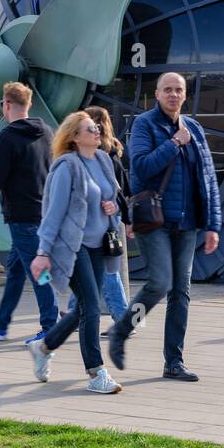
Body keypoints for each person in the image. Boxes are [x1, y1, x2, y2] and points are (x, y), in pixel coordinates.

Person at [107, 72, 222, 382]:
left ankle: (174, 362)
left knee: (181, 292)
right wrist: (173, 143)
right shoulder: (145, 124)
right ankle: (122, 330)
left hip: (187, 223)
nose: (173, 94)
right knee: (160, 282)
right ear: (156, 94)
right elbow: (141, 166)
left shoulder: (194, 128)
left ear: (185, 95)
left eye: (179, 90)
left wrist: (212, 224)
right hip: (154, 220)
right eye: (167, 90)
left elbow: (208, 179)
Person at [25, 112, 124, 394]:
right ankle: (96, 373)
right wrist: (43, 252)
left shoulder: (103, 160)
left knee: (83, 307)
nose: (97, 131)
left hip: (97, 244)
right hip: (72, 247)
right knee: (92, 305)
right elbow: (52, 214)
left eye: (97, 127)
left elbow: (111, 198)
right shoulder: (66, 167)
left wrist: (111, 207)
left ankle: (43, 347)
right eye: (90, 128)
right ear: (75, 136)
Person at [0, 82, 58, 344]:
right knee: (16, 269)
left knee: (38, 272)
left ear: (6, 105)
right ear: (29, 104)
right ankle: (1, 323)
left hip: (22, 217)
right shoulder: (47, 133)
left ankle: (50, 327)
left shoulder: (7, 138)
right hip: (45, 213)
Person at [85, 105, 132, 329]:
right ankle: (75, 312)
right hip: (109, 220)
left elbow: (114, 190)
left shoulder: (98, 156)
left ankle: (123, 321)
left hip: (100, 221)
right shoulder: (113, 150)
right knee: (91, 268)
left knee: (106, 271)